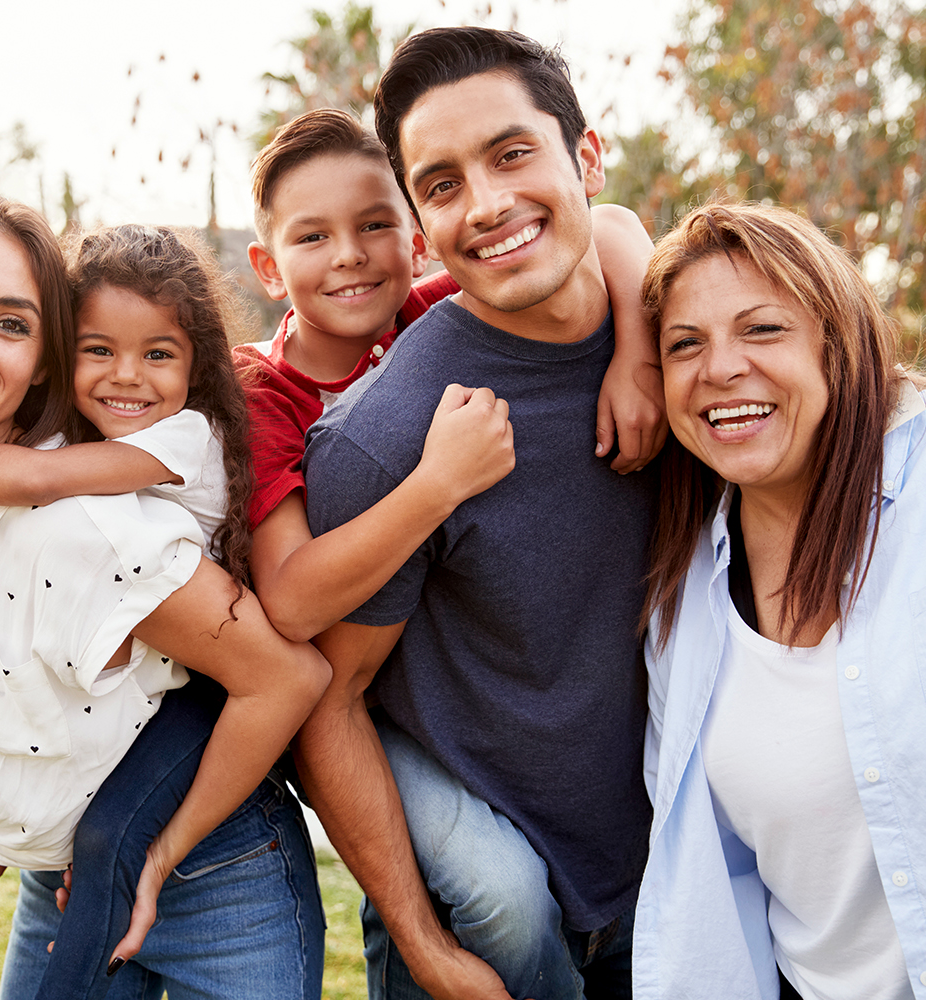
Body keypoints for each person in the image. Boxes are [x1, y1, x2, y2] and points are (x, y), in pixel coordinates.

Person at [0, 203, 331, 1000]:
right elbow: (5, 694)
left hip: (214, 865)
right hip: (61, 859)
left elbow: (286, 676)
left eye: (10, 323)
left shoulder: (87, 524)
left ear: (41, 361)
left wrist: (154, 857)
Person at [298, 27, 665, 1000]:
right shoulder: (389, 442)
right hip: (487, 933)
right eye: (443, 183)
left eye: (511, 154)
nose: (488, 203)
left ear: (586, 158)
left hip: (673, 892)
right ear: (420, 224)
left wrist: (641, 346)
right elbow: (330, 700)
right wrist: (425, 944)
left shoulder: (684, 348)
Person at [633, 202, 926, 1000]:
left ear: (836, 345)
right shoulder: (680, 613)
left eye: (764, 329)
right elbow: (720, 889)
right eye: (684, 345)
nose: (721, 369)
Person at [238, 107, 661, 646]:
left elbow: (609, 223)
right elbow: (290, 602)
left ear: (419, 245)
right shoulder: (258, 390)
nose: (349, 255)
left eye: (374, 225)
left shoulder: (432, 312)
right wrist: (440, 483)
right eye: (313, 237)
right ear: (270, 269)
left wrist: (639, 360)